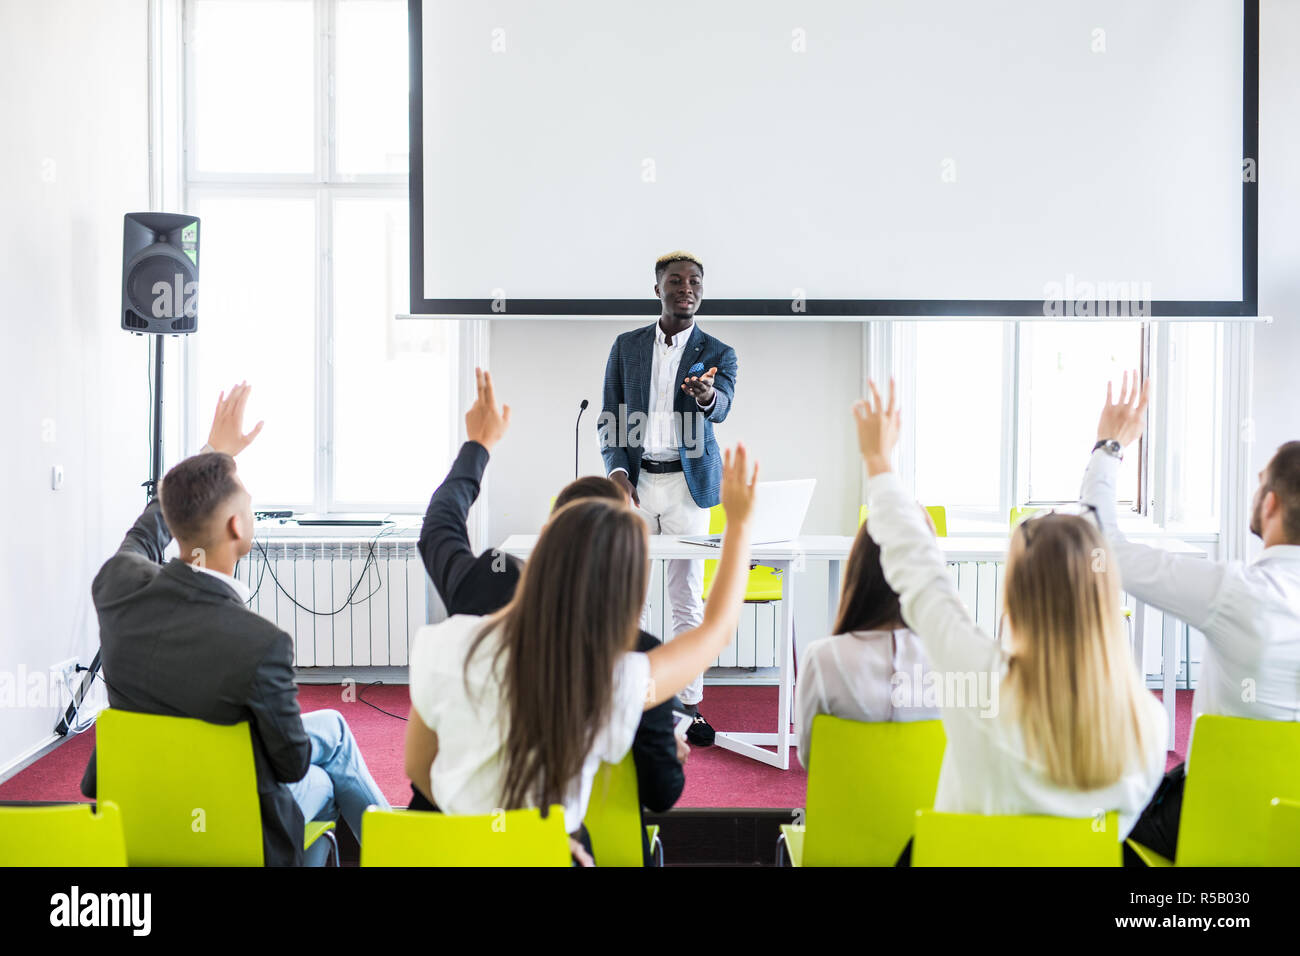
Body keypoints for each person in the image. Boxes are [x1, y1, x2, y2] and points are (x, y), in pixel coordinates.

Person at [404, 443, 759, 865]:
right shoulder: (617, 677)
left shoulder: (446, 642)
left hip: (449, 853)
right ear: (626, 581)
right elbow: (716, 630)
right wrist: (738, 525)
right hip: (548, 851)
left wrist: (494, 840)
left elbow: (421, 772)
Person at [80, 384, 389, 866]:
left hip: (142, 811)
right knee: (326, 776)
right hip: (235, 819)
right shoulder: (261, 644)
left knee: (333, 727)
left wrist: (212, 455)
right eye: (248, 499)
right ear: (234, 527)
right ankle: (399, 852)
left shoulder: (116, 584)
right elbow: (290, 764)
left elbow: (145, 530)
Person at [855, 380, 1167, 855]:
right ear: (1103, 592)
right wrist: (1109, 450)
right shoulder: (1149, 722)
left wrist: (879, 460)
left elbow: (918, 566)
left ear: (1014, 595)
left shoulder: (980, 680)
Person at [414, 368, 688, 864]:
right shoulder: (639, 654)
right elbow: (661, 792)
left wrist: (479, 445)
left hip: (450, 844)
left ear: (549, 534)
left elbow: (438, 527)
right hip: (566, 846)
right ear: (629, 563)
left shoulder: (483, 587)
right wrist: (668, 749)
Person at [1080, 372, 1300, 861]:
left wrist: (1109, 446)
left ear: (1271, 503)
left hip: (1211, 819)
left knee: (1093, 822)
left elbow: (1102, 548)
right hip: (1292, 833)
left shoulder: (1237, 593)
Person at [598, 250, 739, 746]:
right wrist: (616, 470)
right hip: (636, 485)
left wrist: (704, 397)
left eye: (695, 281)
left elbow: (720, 406)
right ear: (657, 289)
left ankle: (690, 706)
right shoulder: (626, 346)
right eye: (676, 281)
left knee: (686, 599)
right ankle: (633, 702)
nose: (686, 288)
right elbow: (609, 414)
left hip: (688, 487)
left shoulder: (719, 352)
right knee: (631, 599)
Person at [795, 514, 940, 770]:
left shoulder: (822, 658)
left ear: (859, 568)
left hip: (847, 808)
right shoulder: (958, 657)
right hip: (933, 809)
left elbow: (810, 757)